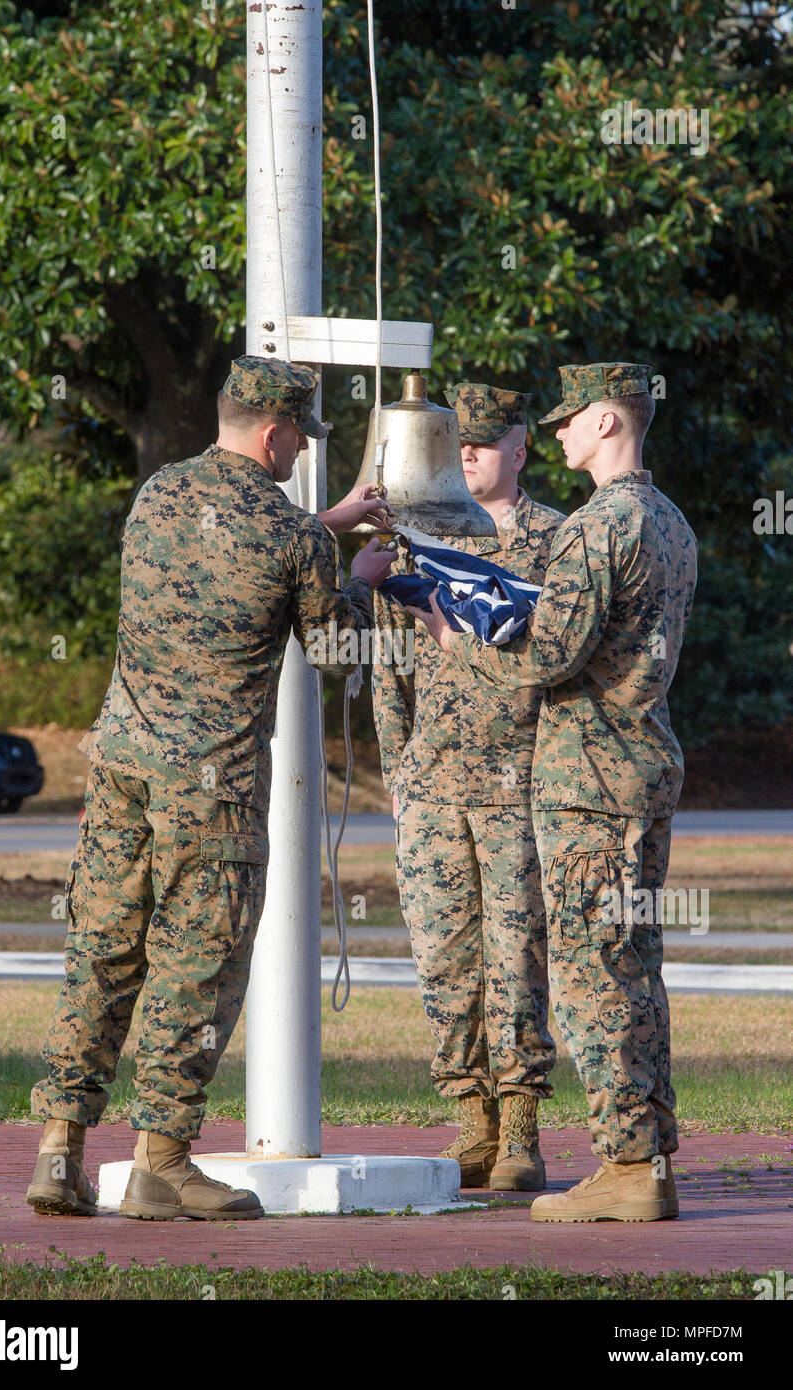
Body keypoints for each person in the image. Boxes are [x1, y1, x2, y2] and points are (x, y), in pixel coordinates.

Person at [27, 355, 394, 1222]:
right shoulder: (293, 536)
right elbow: (336, 648)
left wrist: (325, 523)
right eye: (300, 433)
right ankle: (162, 1161)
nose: (302, 446)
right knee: (194, 970)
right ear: (273, 431)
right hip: (214, 789)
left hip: (120, 765)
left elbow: (228, 549)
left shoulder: (157, 493)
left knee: (102, 955)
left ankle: (58, 1154)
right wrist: (362, 582)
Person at [409, 362, 698, 1222]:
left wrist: (451, 631)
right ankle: (648, 1152)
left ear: (608, 423)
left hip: (588, 781)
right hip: (641, 769)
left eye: (573, 418)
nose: (561, 431)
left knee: (590, 975)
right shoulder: (672, 522)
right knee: (636, 966)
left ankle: (627, 1164)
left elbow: (548, 656)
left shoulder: (595, 525)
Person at [372, 383, 565, 1190]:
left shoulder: (559, 541)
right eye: (459, 444)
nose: (469, 456)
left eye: (485, 444)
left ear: (520, 449)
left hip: (517, 782)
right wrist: (400, 774)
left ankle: (520, 1123)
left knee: (517, 954)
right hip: (433, 784)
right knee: (443, 955)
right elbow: (389, 673)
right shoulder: (417, 538)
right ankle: (471, 1117)